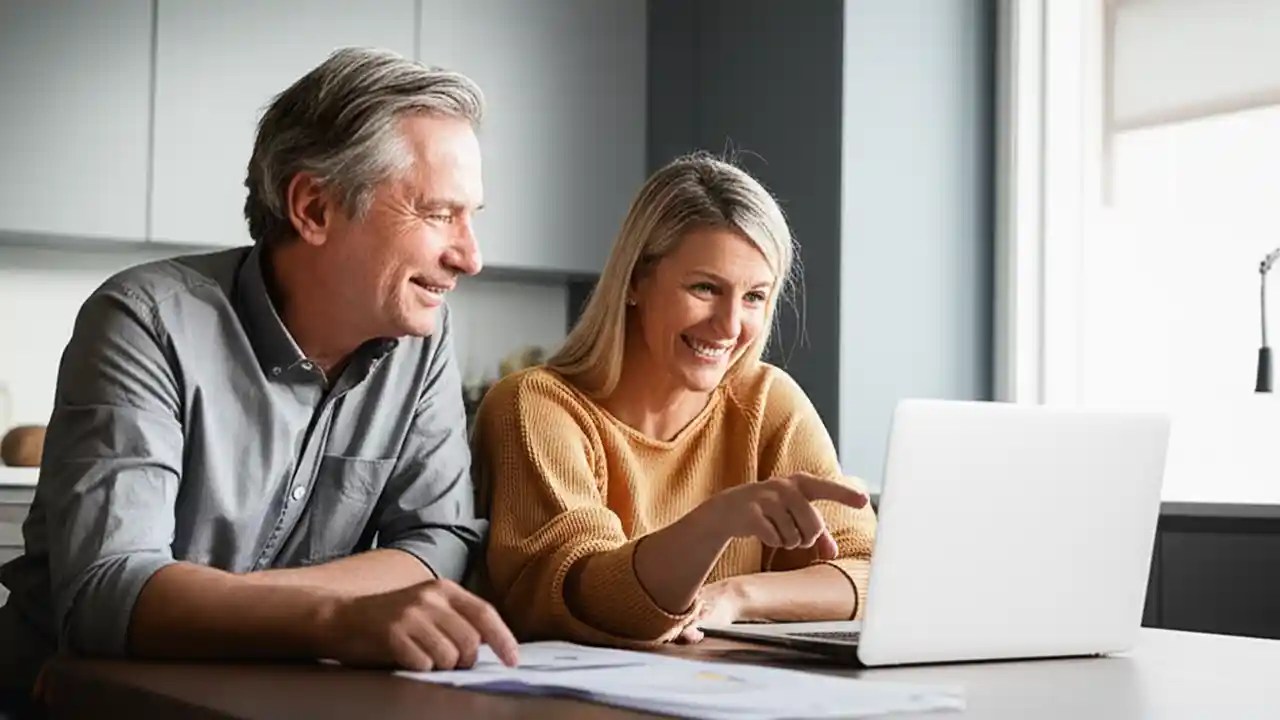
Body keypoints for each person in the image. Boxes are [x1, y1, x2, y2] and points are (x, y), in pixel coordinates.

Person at [0, 47, 518, 710]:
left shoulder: (423, 336)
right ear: (314, 207)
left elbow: (438, 546)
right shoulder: (145, 320)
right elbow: (108, 591)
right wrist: (339, 619)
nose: (471, 256)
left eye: (473, 215)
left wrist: (235, 605)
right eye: (439, 213)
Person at [472, 154, 876, 647]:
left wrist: (735, 596)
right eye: (705, 288)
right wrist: (713, 524)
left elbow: (872, 573)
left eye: (754, 297)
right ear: (636, 280)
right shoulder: (536, 405)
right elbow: (585, 593)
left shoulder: (768, 403)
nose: (729, 327)